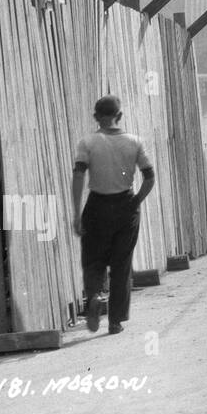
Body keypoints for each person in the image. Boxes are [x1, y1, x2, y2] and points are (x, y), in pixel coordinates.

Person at [71, 96, 156, 335]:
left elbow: (78, 177)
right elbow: (149, 177)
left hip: (97, 205)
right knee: (121, 265)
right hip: (125, 206)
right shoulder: (134, 142)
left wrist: (77, 214)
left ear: (96, 117)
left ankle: (95, 295)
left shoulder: (87, 142)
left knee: (92, 260)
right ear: (119, 116)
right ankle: (115, 321)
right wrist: (136, 201)